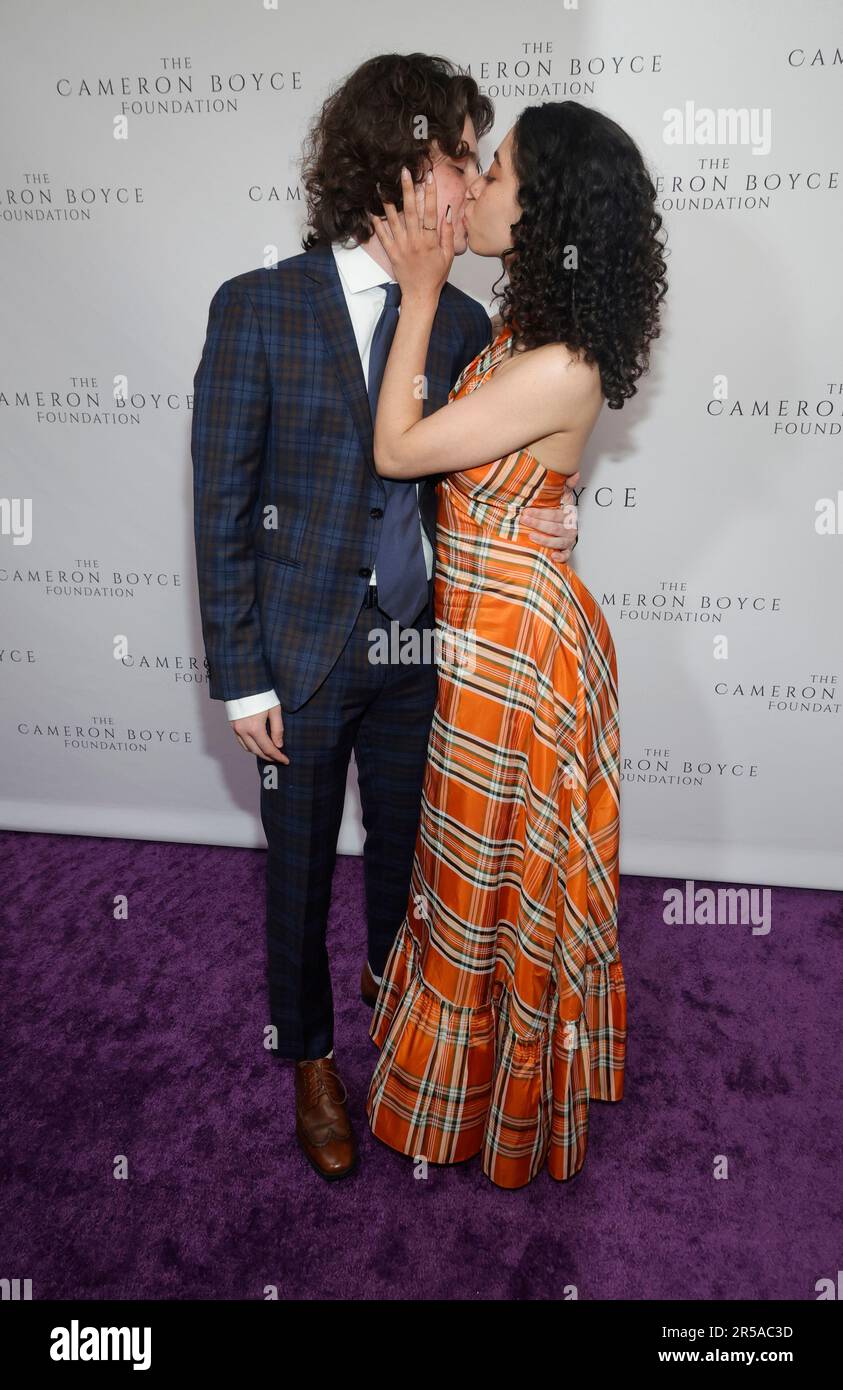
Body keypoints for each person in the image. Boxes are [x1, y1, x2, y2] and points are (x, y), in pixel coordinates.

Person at [190, 55, 579, 1183]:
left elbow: (493, 475)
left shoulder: (462, 324)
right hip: (302, 659)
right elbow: (222, 502)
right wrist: (242, 675)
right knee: (298, 870)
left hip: (422, 652)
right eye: (463, 157)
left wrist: (551, 523)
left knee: (408, 862)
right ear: (406, 168)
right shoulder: (259, 306)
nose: (472, 185)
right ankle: (309, 1056)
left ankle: (396, 1008)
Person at [365, 100, 668, 1189]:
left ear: (541, 211)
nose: (478, 191)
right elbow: (505, 477)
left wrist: (420, 291)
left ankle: (497, 1104)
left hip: (521, 662)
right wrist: (543, 509)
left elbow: (399, 448)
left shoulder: (558, 361)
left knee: (499, 882)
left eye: (495, 175)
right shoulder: (524, 340)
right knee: (469, 877)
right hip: (488, 643)